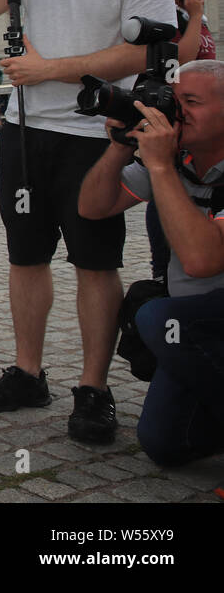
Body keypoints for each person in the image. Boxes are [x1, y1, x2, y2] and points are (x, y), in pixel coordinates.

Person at [0, 0, 176, 444]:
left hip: (97, 134)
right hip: (29, 133)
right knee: (25, 256)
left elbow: (144, 50)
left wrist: (50, 69)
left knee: (96, 262)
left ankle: (94, 388)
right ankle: (28, 373)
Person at [77, 60, 224, 467]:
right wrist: (122, 145)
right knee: (165, 443)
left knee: (159, 317)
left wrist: (159, 166)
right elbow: (93, 206)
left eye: (190, 102)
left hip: (202, 319)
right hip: (202, 326)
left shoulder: (167, 164)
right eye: (172, 102)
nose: (175, 113)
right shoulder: (180, 160)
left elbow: (201, 261)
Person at [145, 0, 216, 282]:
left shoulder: (196, 19)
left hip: (202, 120)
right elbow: (181, 61)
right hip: (176, 119)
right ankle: (163, 272)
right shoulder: (171, 19)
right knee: (167, 184)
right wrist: (197, 15)